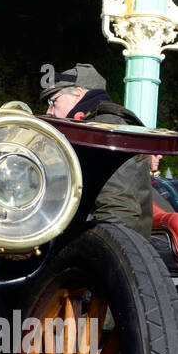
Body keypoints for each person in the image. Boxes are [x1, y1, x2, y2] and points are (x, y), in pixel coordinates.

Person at [42, 63, 152, 237]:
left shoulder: (105, 128)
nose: (49, 111)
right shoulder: (91, 127)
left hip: (103, 250)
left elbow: (118, 211)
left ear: (77, 94)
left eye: (53, 102)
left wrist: (93, 258)